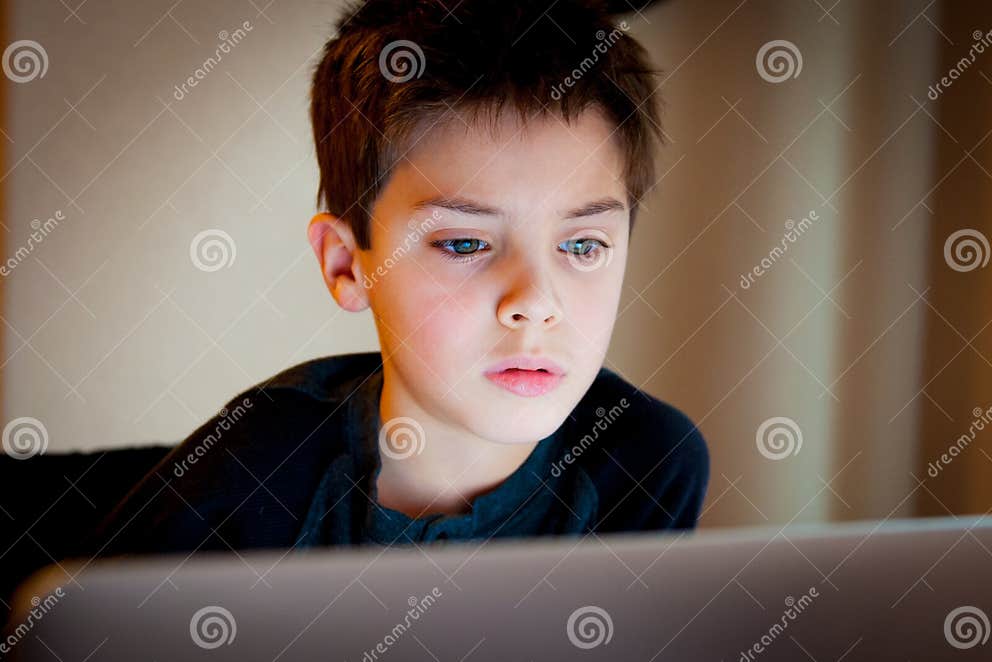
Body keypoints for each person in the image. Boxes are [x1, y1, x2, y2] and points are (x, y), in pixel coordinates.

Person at [71, 0, 709, 561]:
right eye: (464, 243)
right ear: (348, 265)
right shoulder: (255, 465)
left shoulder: (649, 460)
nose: (536, 304)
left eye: (582, 245)